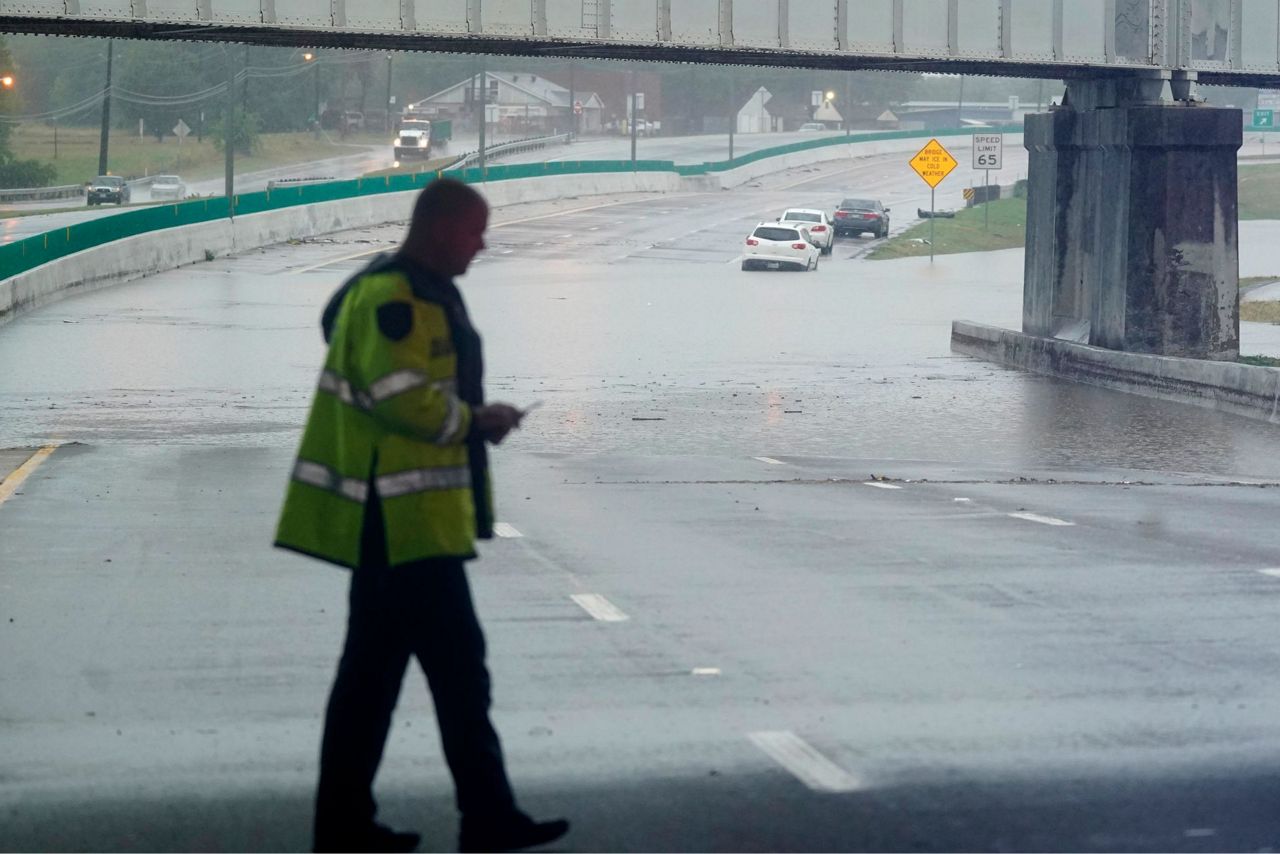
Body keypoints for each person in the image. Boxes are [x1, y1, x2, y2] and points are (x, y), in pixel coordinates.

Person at [275, 178, 570, 853]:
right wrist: (477, 420)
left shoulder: (417, 291)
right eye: (475, 231)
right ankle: (481, 818)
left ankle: (360, 825)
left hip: (416, 527)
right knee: (442, 675)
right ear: (439, 229)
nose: (482, 244)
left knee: (386, 681)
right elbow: (399, 396)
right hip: (397, 528)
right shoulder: (393, 300)